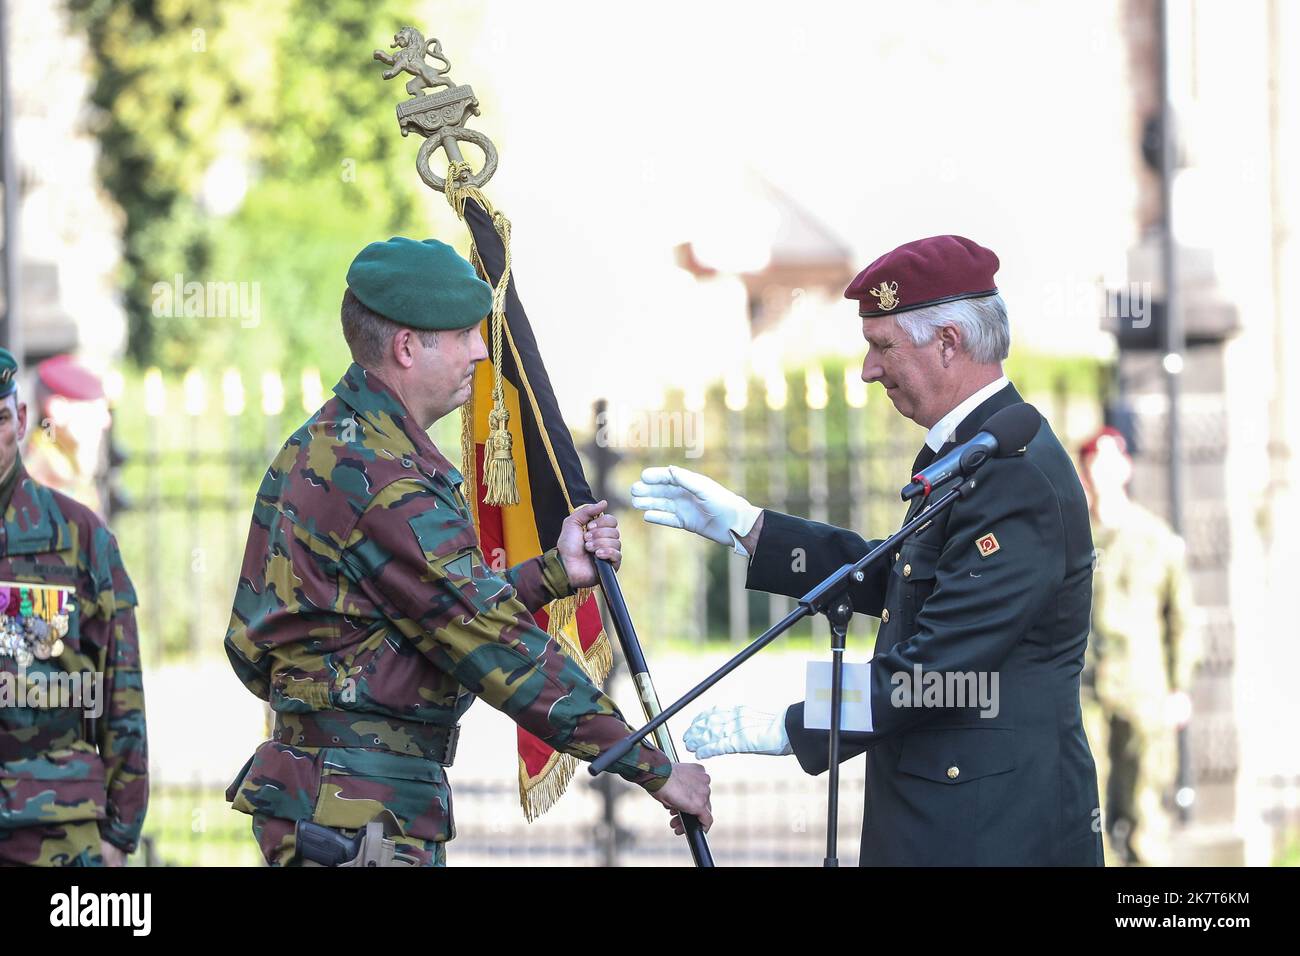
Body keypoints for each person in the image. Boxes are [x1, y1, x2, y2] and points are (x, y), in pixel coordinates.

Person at [224, 237, 711, 866]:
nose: (483, 352)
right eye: (464, 334)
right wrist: (654, 767)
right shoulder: (384, 478)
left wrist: (555, 573)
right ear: (407, 347)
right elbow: (495, 645)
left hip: (337, 803)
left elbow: (428, 614)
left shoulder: (325, 443)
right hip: (358, 815)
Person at [633, 235, 1102, 865]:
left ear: (948, 344)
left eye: (882, 347)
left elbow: (940, 670)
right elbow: (895, 576)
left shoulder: (1015, 475)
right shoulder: (975, 451)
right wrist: (750, 529)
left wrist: (790, 725)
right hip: (947, 822)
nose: (868, 370)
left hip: (995, 834)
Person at [0, 348, 147, 866]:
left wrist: (121, 831)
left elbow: (119, 683)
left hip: (49, 825)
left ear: (20, 420)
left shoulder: (77, 530)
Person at [1079, 426, 1197, 865]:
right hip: (1086, 692)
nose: (1102, 474)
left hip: (1143, 689)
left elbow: (1181, 617)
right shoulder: (1072, 538)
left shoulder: (1156, 537)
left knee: (1146, 811)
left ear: (1125, 468)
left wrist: (1180, 688)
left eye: (1110, 464)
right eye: (1094, 465)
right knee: (1088, 809)